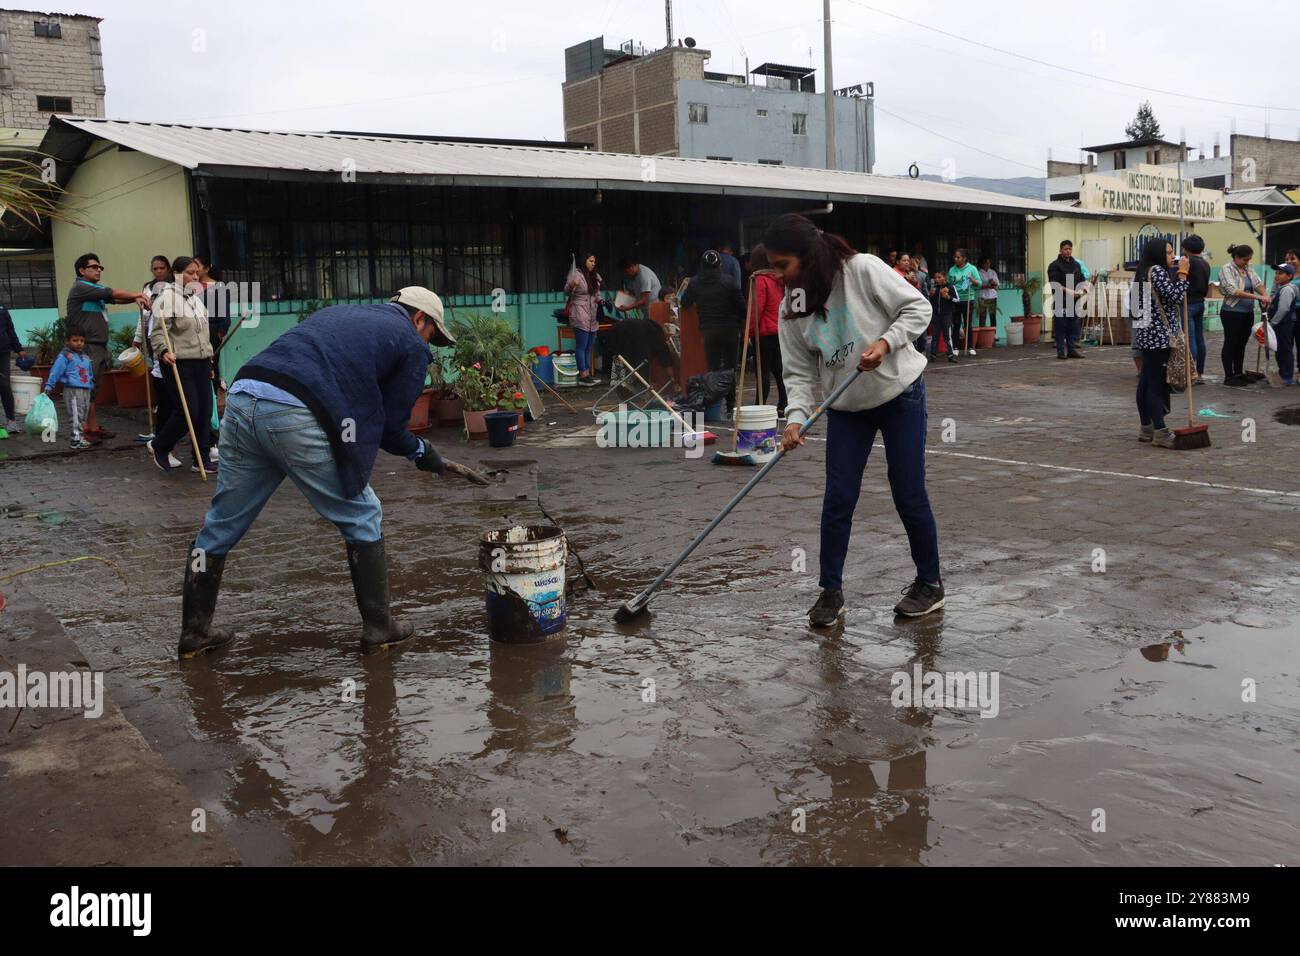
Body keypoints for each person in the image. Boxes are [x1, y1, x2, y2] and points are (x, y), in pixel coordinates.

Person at [177, 287, 487, 660]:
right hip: (291, 412)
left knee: (221, 524)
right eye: (431, 334)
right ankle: (379, 629)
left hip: (243, 399)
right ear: (419, 319)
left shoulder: (341, 314)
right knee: (363, 513)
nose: (429, 344)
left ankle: (194, 633)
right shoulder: (409, 341)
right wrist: (425, 455)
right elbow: (392, 428)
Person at [764, 213, 943, 624]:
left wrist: (886, 342)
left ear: (807, 254)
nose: (778, 275)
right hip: (846, 409)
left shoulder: (861, 269)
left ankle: (930, 584)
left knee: (908, 491)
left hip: (899, 394)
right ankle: (830, 592)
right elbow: (798, 371)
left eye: (782, 265)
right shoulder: (792, 304)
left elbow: (918, 308)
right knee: (838, 498)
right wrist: (795, 419)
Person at [66, 253, 151, 441]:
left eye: (100, 268)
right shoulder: (82, 287)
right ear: (82, 270)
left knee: (92, 389)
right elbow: (111, 293)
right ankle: (83, 431)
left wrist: (133, 299)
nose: (98, 270)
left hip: (97, 346)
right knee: (86, 388)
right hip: (87, 347)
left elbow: (114, 298)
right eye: (94, 267)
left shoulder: (94, 291)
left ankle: (92, 428)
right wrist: (137, 294)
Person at [148, 256, 217, 473]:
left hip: (202, 361)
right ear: (177, 274)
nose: (195, 277)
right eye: (190, 273)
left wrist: (210, 361)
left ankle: (201, 458)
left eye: (197, 273)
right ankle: (161, 445)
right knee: (189, 410)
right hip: (179, 362)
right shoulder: (166, 297)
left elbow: (203, 333)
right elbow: (158, 331)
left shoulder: (195, 299)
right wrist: (163, 351)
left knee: (205, 411)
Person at [1129, 239, 1188, 447]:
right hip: (1159, 338)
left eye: (1173, 252)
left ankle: (1146, 427)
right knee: (1154, 385)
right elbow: (1176, 297)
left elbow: (1135, 308)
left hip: (1146, 336)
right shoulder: (1157, 272)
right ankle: (1160, 431)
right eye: (1169, 253)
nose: (1173, 257)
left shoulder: (1142, 272)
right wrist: (1183, 274)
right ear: (1157, 253)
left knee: (1145, 382)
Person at [680, 250, 744, 411]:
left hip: (708, 331)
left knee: (713, 370)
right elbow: (742, 307)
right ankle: (731, 405)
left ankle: (714, 406)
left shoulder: (694, 283)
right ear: (719, 265)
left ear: (702, 265)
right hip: (730, 329)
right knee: (730, 369)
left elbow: (685, 302)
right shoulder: (729, 282)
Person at [134, 255, 174, 443]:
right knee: (158, 373)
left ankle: (168, 420)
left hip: (171, 335)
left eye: (162, 268)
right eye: (155, 269)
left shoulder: (173, 287)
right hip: (152, 335)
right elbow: (142, 315)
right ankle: (159, 423)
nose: (158, 272)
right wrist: (137, 338)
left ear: (168, 269)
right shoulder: (147, 288)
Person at [1218, 244, 1269, 387]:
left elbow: (1258, 283)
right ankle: (1229, 376)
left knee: (1241, 343)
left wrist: (1264, 294)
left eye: (1249, 259)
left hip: (1247, 312)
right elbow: (1233, 291)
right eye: (1245, 260)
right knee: (1231, 342)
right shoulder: (1226, 269)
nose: (1247, 262)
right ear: (1236, 257)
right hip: (1231, 312)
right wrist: (1258, 298)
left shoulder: (1248, 268)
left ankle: (1239, 373)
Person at [748, 244, 787, 415]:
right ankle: (784, 403)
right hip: (779, 330)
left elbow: (756, 310)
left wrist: (748, 332)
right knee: (779, 369)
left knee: (762, 370)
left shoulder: (759, 280)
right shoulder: (779, 279)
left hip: (763, 333)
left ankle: (760, 405)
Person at [42, 330, 95, 449]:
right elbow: (56, 371)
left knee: (83, 415)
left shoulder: (85, 356)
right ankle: (75, 440)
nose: (79, 343)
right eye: (75, 340)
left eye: (81, 340)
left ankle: (80, 437)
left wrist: (91, 385)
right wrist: (49, 386)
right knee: (76, 415)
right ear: (67, 341)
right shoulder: (65, 356)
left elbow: (89, 373)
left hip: (86, 389)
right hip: (73, 390)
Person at [564, 253, 603, 387]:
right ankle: (583, 374)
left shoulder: (595, 276)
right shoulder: (577, 275)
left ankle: (587, 374)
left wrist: (602, 301)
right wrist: (571, 285)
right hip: (579, 313)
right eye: (591, 261)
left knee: (589, 346)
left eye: (594, 261)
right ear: (584, 261)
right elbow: (566, 291)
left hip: (592, 314)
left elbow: (597, 295)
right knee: (581, 346)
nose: (593, 263)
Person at [1047, 240, 1086, 359]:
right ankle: (1060, 351)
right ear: (1060, 250)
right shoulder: (1054, 265)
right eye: (1065, 249)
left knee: (1072, 326)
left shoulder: (1076, 265)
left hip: (1074, 301)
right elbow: (1055, 284)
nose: (1068, 251)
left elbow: (1082, 279)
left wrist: (1084, 289)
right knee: (1060, 326)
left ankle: (1071, 350)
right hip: (1061, 300)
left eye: (1070, 249)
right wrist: (1071, 292)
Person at [1181, 235, 1210, 384]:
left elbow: (1180, 281)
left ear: (1186, 249)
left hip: (1188, 304)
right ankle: (1199, 374)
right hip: (1200, 303)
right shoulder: (1206, 263)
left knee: (1190, 339)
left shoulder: (1187, 262)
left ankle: (1190, 373)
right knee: (1199, 338)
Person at [947, 248, 982, 357]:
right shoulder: (952, 270)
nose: (956, 259)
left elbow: (979, 284)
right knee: (956, 324)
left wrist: (972, 280)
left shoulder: (972, 269)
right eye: (955, 257)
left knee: (968, 324)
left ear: (964, 258)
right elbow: (949, 283)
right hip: (955, 300)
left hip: (968, 299)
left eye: (958, 257)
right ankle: (956, 347)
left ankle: (971, 347)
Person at [1267, 263, 1297, 386]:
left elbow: (1283, 309)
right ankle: (1283, 373)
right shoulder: (1281, 287)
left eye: (1280, 273)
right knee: (1279, 349)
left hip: (1283, 324)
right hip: (1281, 323)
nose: (1277, 275)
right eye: (1276, 273)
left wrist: (1273, 323)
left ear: (1289, 276)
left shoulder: (1287, 290)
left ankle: (1287, 376)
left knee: (1284, 349)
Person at [0, 303, 27, 432]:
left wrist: (18, 348)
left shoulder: (2, 308)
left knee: (4, 384)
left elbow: (10, 329)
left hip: (3, 352)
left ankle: (11, 421)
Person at [927, 271, 958, 363]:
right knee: (935, 336)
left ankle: (950, 355)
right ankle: (933, 355)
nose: (937, 279)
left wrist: (948, 297)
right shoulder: (935, 288)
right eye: (935, 278)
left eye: (939, 277)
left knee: (947, 336)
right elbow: (930, 302)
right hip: (936, 315)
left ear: (945, 277)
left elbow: (957, 299)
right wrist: (930, 295)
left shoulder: (951, 287)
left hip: (946, 315)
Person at [976, 257, 1000, 329]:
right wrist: (987, 285)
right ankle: (982, 332)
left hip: (992, 297)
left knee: (992, 316)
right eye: (986, 263)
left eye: (989, 263)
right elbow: (977, 286)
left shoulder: (992, 272)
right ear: (982, 264)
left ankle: (994, 333)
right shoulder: (978, 273)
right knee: (982, 316)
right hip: (983, 297)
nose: (988, 264)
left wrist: (994, 283)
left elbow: (997, 285)